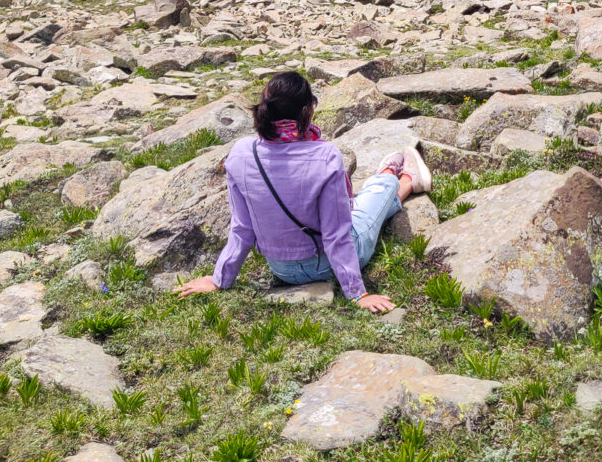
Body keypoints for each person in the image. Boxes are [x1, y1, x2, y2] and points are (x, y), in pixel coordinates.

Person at [173, 71, 431, 313]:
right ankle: (404, 178)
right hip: (326, 262)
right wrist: (358, 294)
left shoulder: (241, 153)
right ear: (307, 110)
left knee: (366, 205)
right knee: (376, 194)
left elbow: (242, 228)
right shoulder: (325, 155)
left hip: (281, 269)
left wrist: (220, 280)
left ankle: (393, 183)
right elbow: (336, 234)